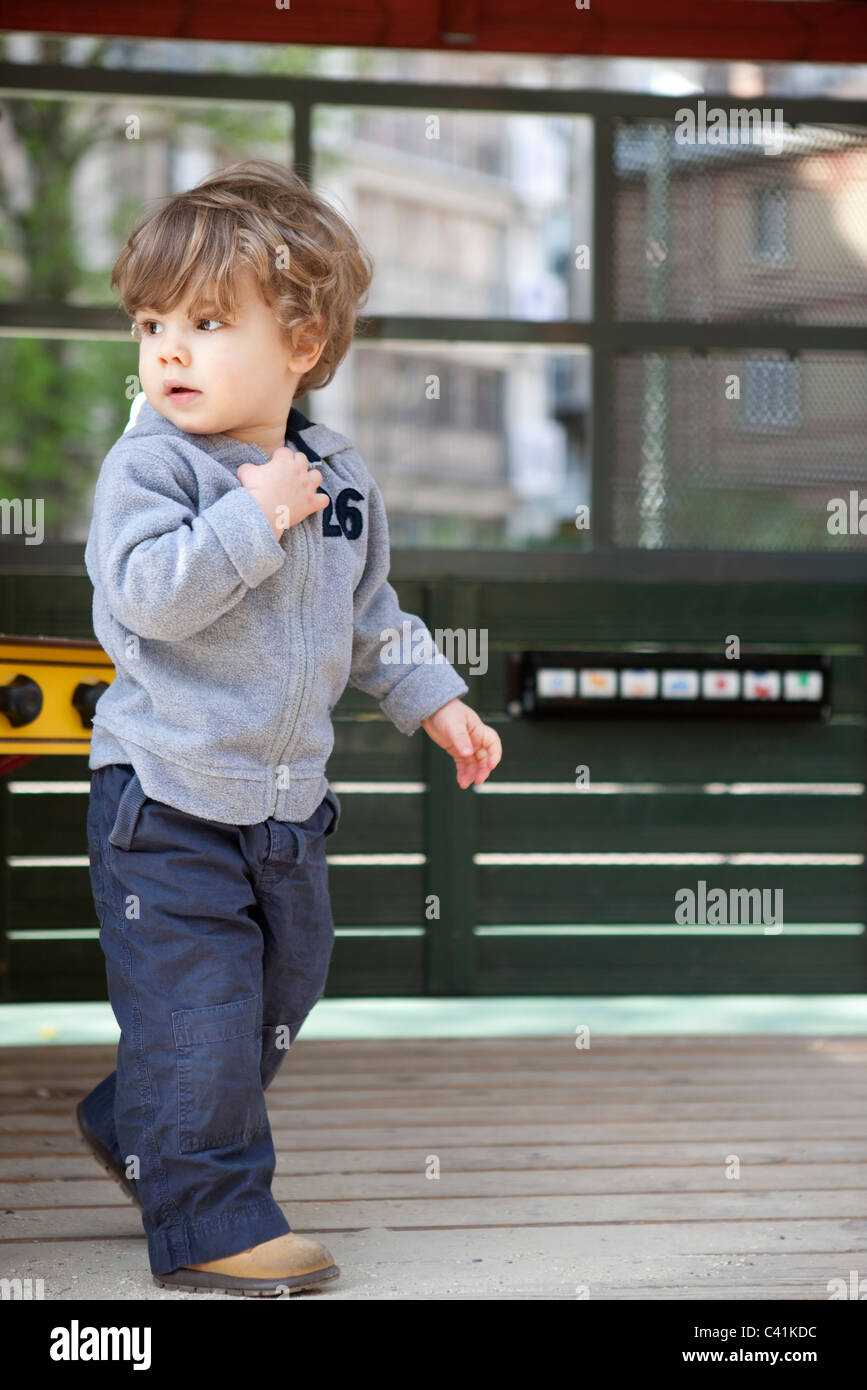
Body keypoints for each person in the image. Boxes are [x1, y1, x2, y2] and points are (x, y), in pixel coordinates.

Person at [78, 159, 502, 1297]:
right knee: (204, 1005)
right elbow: (150, 596)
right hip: (162, 804)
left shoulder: (335, 473)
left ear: (302, 344)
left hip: (282, 814)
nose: (167, 347)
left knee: (279, 991)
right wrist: (251, 518)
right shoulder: (151, 467)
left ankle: (141, 1119)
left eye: (207, 323)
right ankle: (213, 1214)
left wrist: (436, 698)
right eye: (151, 320)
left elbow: (367, 613)